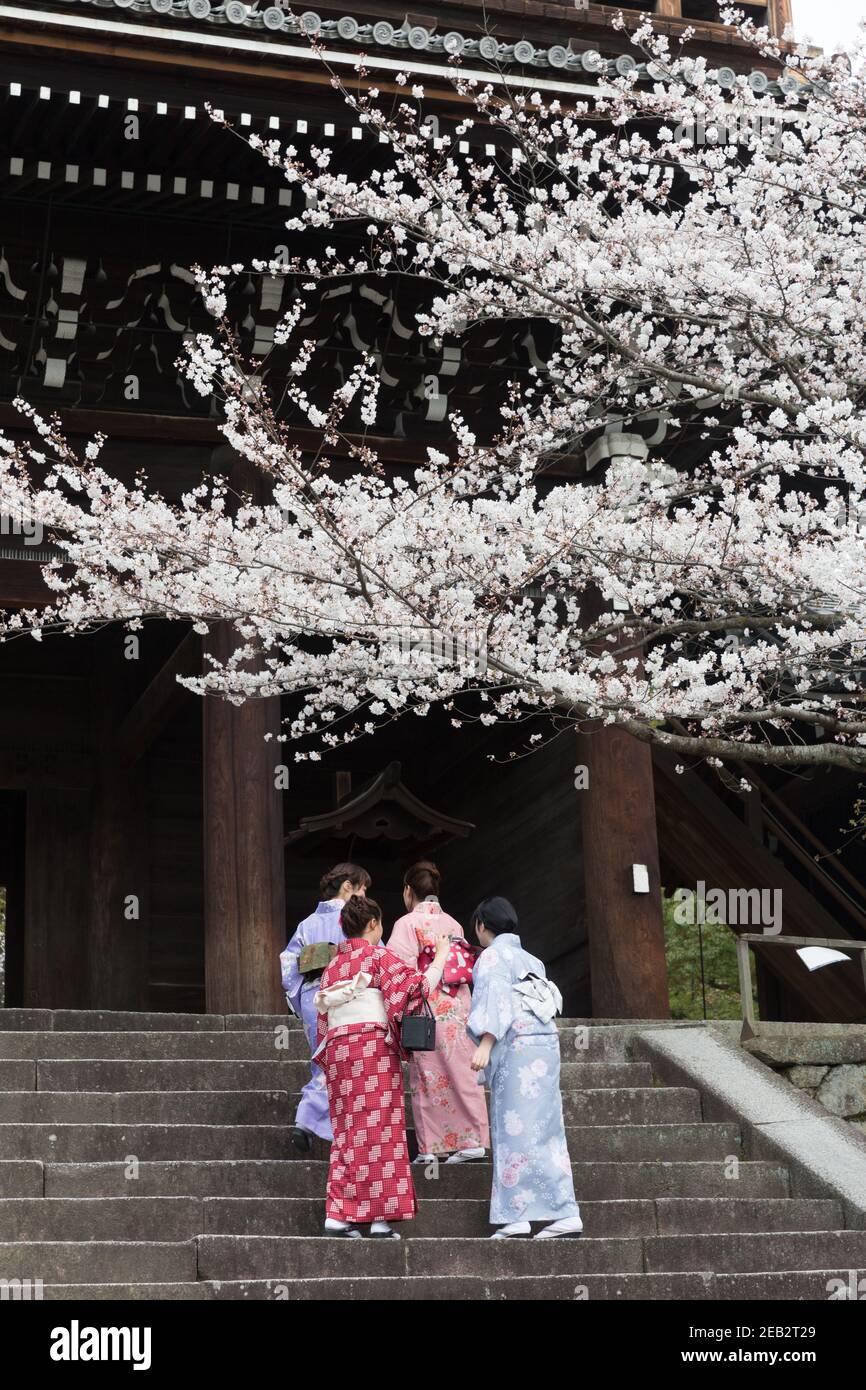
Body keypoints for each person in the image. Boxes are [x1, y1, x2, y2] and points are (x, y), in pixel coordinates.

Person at [315, 895, 451, 1239]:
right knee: (381, 1132)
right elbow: (415, 988)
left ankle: (338, 1215)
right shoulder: (378, 956)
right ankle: (378, 1219)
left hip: (338, 1050)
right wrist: (441, 959)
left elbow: (322, 1019)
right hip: (372, 1049)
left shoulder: (332, 967)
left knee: (347, 1131)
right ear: (373, 924)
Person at [468, 896, 583, 1240]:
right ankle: (564, 1211)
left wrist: (485, 1045)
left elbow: (495, 1001)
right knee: (546, 1130)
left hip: (515, 1048)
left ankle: (517, 1216)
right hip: (544, 1046)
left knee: (512, 1129)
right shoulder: (531, 958)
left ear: (480, 926)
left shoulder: (491, 957)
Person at [388, 860, 489, 1164]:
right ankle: (472, 1141)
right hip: (458, 1005)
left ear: (409, 892)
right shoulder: (454, 924)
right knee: (463, 1073)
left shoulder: (406, 925)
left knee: (429, 1076)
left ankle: (431, 1148)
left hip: (426, 1005)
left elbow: (399, 970)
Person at [279, 862, 371, 1153]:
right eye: (363, 888)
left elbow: (288, 966)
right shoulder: (354, 920)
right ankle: (315, 1119)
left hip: (311, 996)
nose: (364, 896)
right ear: (348, 886)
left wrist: (299, 999)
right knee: (342, 1059)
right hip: (344, 994)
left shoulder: (307, 924)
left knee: (323, 1056)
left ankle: (318, 1123)